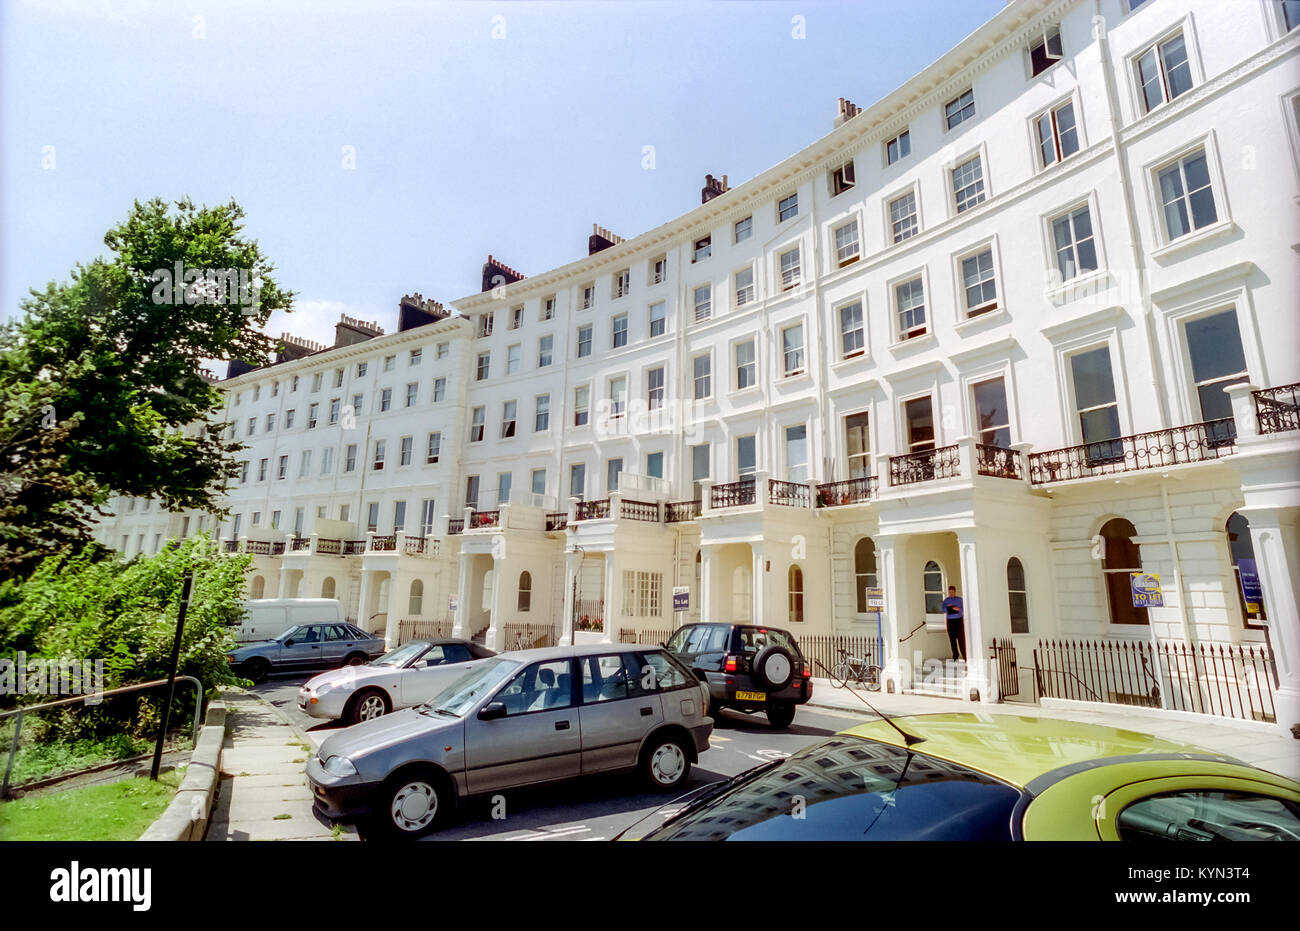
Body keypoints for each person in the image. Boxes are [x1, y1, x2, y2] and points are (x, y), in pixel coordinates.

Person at [941, 586, 965, 661]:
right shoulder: (946, 601)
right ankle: (955, 655)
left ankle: (965, 655)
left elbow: (963, 609)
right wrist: (949, 608)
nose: (951, 594)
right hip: (950, 622)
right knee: (952, 640)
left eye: (952, 592)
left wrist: (957, 609)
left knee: (961, 639)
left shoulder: (960, 600)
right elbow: (943, 610)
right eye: (950, 592)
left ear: (955, 592)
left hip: (959, 621)